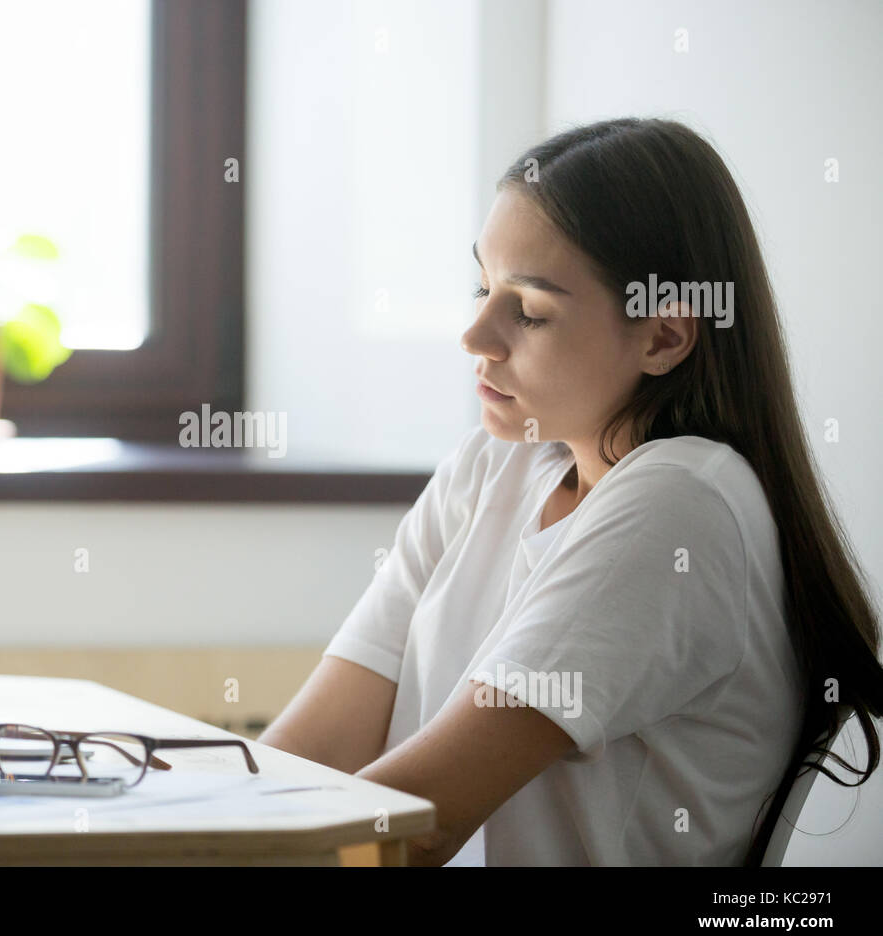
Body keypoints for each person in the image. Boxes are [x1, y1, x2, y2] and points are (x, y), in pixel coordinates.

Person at [259, 117, 883, 866]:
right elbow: (302, 759)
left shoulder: (682, 504)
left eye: (528, 310)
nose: (475, 335)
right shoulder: (495, 466)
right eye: (482, 287)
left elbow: (414, 826)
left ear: (663, 337)